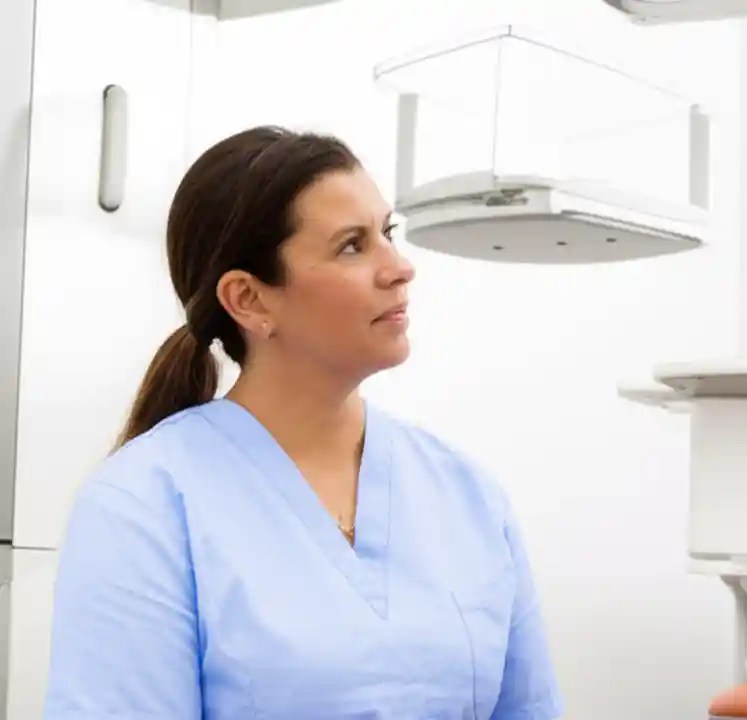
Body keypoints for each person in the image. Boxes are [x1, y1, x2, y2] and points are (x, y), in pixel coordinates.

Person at [43, 126, 563, 719]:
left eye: (387, 234)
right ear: (250, 300)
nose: (399, 268)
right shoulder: (143, 505)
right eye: (352, 246)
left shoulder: (467, 496)